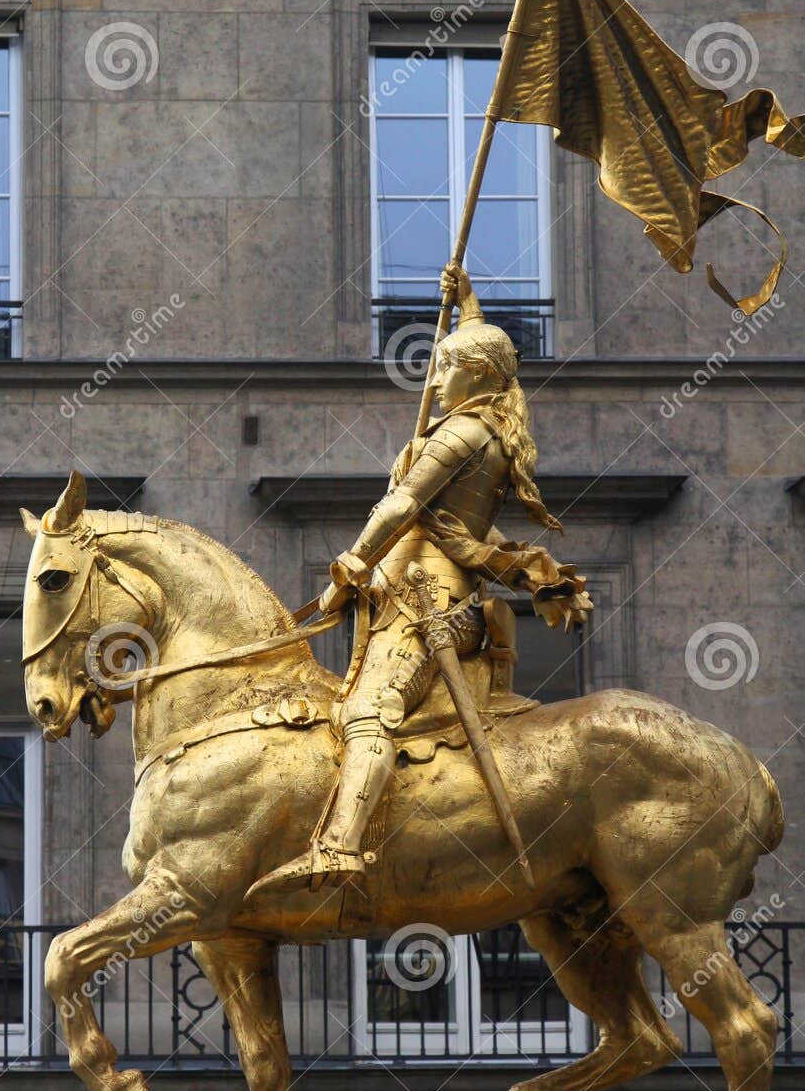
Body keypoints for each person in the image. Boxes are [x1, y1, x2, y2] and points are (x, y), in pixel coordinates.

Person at [246, 267, 592, 901]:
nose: (432, 381)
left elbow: (404, 504)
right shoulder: (482, 422)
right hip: (411, 585)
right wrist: (469, 306)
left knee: (368, 714)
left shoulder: (461, 431)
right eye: (433, 368)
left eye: (444, 370)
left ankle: (342, 844)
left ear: (477, 379)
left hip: (424, 597)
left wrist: (354, 558)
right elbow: (481, 356)